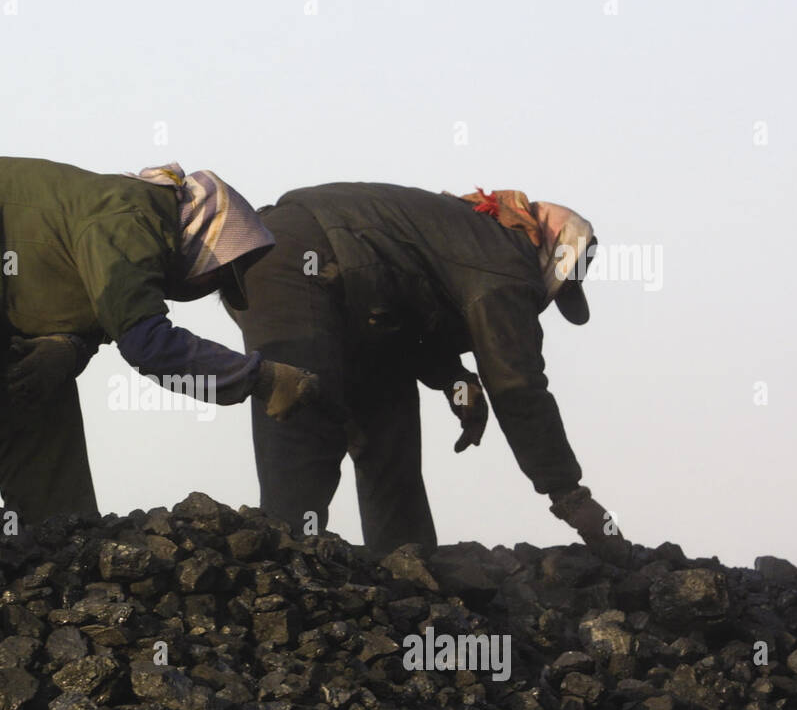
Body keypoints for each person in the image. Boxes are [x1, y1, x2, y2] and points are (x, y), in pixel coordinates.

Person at [0, 158, 318, 539]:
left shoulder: (130, 224)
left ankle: (59, 629)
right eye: (217, 274)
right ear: (205, 237)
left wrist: (69, 344)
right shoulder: (131, 215)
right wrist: (260, 379)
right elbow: (150, 345)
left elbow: (70, 289)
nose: (206, 288)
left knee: (62, 512)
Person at [227, 182, 634, 564]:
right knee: (305, 411)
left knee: (389, 438)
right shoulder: (508, 258)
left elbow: (398, 290)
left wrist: (452, 378)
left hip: (351, 295)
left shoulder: (469, 236)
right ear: (554, 251)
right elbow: (517, 384)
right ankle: (277, 581)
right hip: (292, 260)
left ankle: (406, 584)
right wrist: (570, 495)